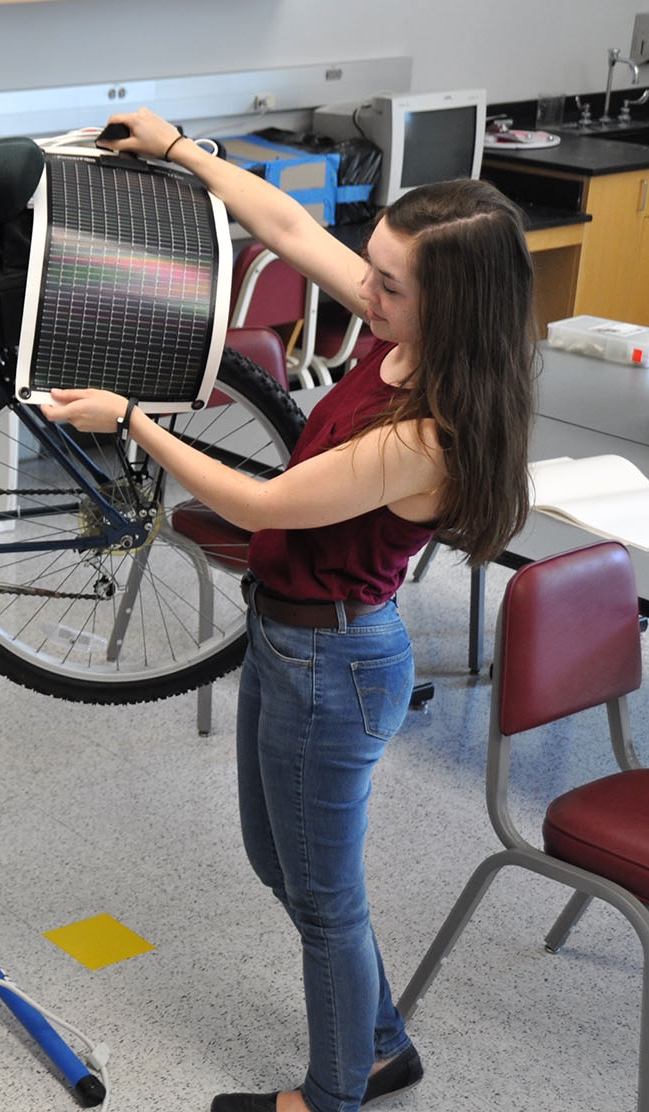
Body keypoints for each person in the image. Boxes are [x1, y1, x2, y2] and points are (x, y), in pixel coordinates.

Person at [43, 109, 535, 1112]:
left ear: (449, 306)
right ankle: (379, 1047)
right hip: (288, 639)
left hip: (335, 666)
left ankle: (332, 1093)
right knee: (281, 863)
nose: (365, 290)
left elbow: (257, 504)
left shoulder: (427, 435)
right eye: (373, 268)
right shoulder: (406, 335)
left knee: (321, 895)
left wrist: (129, 420)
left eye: (388, 285)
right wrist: (179, 150)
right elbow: (289, 228)